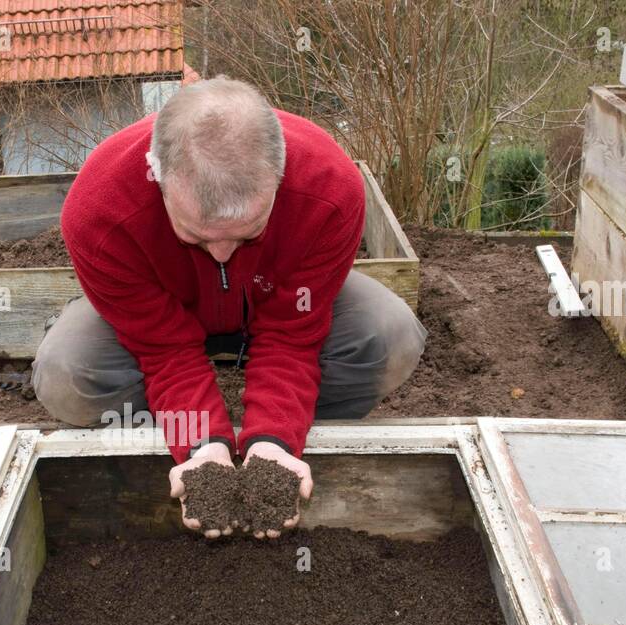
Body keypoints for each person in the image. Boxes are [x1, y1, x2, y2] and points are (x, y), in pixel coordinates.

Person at [32, 76, 426, 538]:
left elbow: (292, 335)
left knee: (391, 335)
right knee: (67, 376)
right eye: (196, 236)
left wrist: (272, 439)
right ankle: (192, 429)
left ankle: (280, 430)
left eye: (248, 234)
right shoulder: (99, 212)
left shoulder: (330, 189)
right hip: (164, 312)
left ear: (280, 179)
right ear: (158, 176)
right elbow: (164, 350)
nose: (222, 255)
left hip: (277, 300)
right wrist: (203, 447)